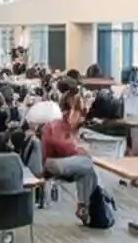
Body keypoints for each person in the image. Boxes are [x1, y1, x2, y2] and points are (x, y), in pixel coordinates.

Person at [40, 93, 101, 223]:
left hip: (69, 163)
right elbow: (60, 145)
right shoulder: (54, 125)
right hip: (51, 162)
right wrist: (78, 149)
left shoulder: (75, 128)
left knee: (87, 171)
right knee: (88, 162)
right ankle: (88, 205)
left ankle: (83, 207)